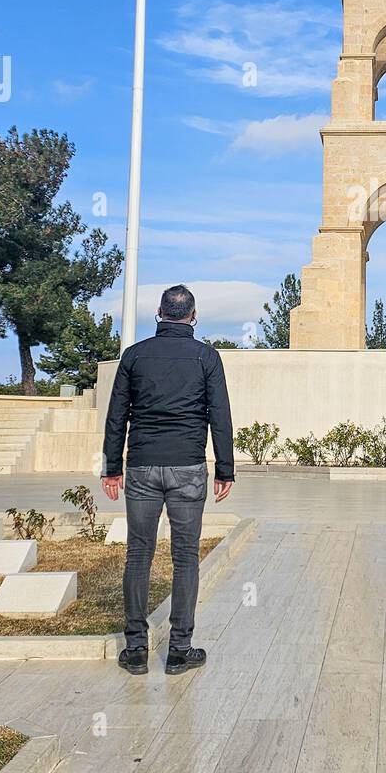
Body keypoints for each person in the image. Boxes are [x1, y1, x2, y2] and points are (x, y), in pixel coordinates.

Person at [101, 284, 234, 676]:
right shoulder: (207, 357)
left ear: (159, 313)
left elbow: (116, 416)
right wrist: (225, 469)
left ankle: (136, 649)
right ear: (193, 316)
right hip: (188, 469)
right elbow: (219, 416)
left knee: (139, 554)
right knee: (185, 557)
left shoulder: (134, 356)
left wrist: (112, 467)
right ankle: (179, 650)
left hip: (141, 467)